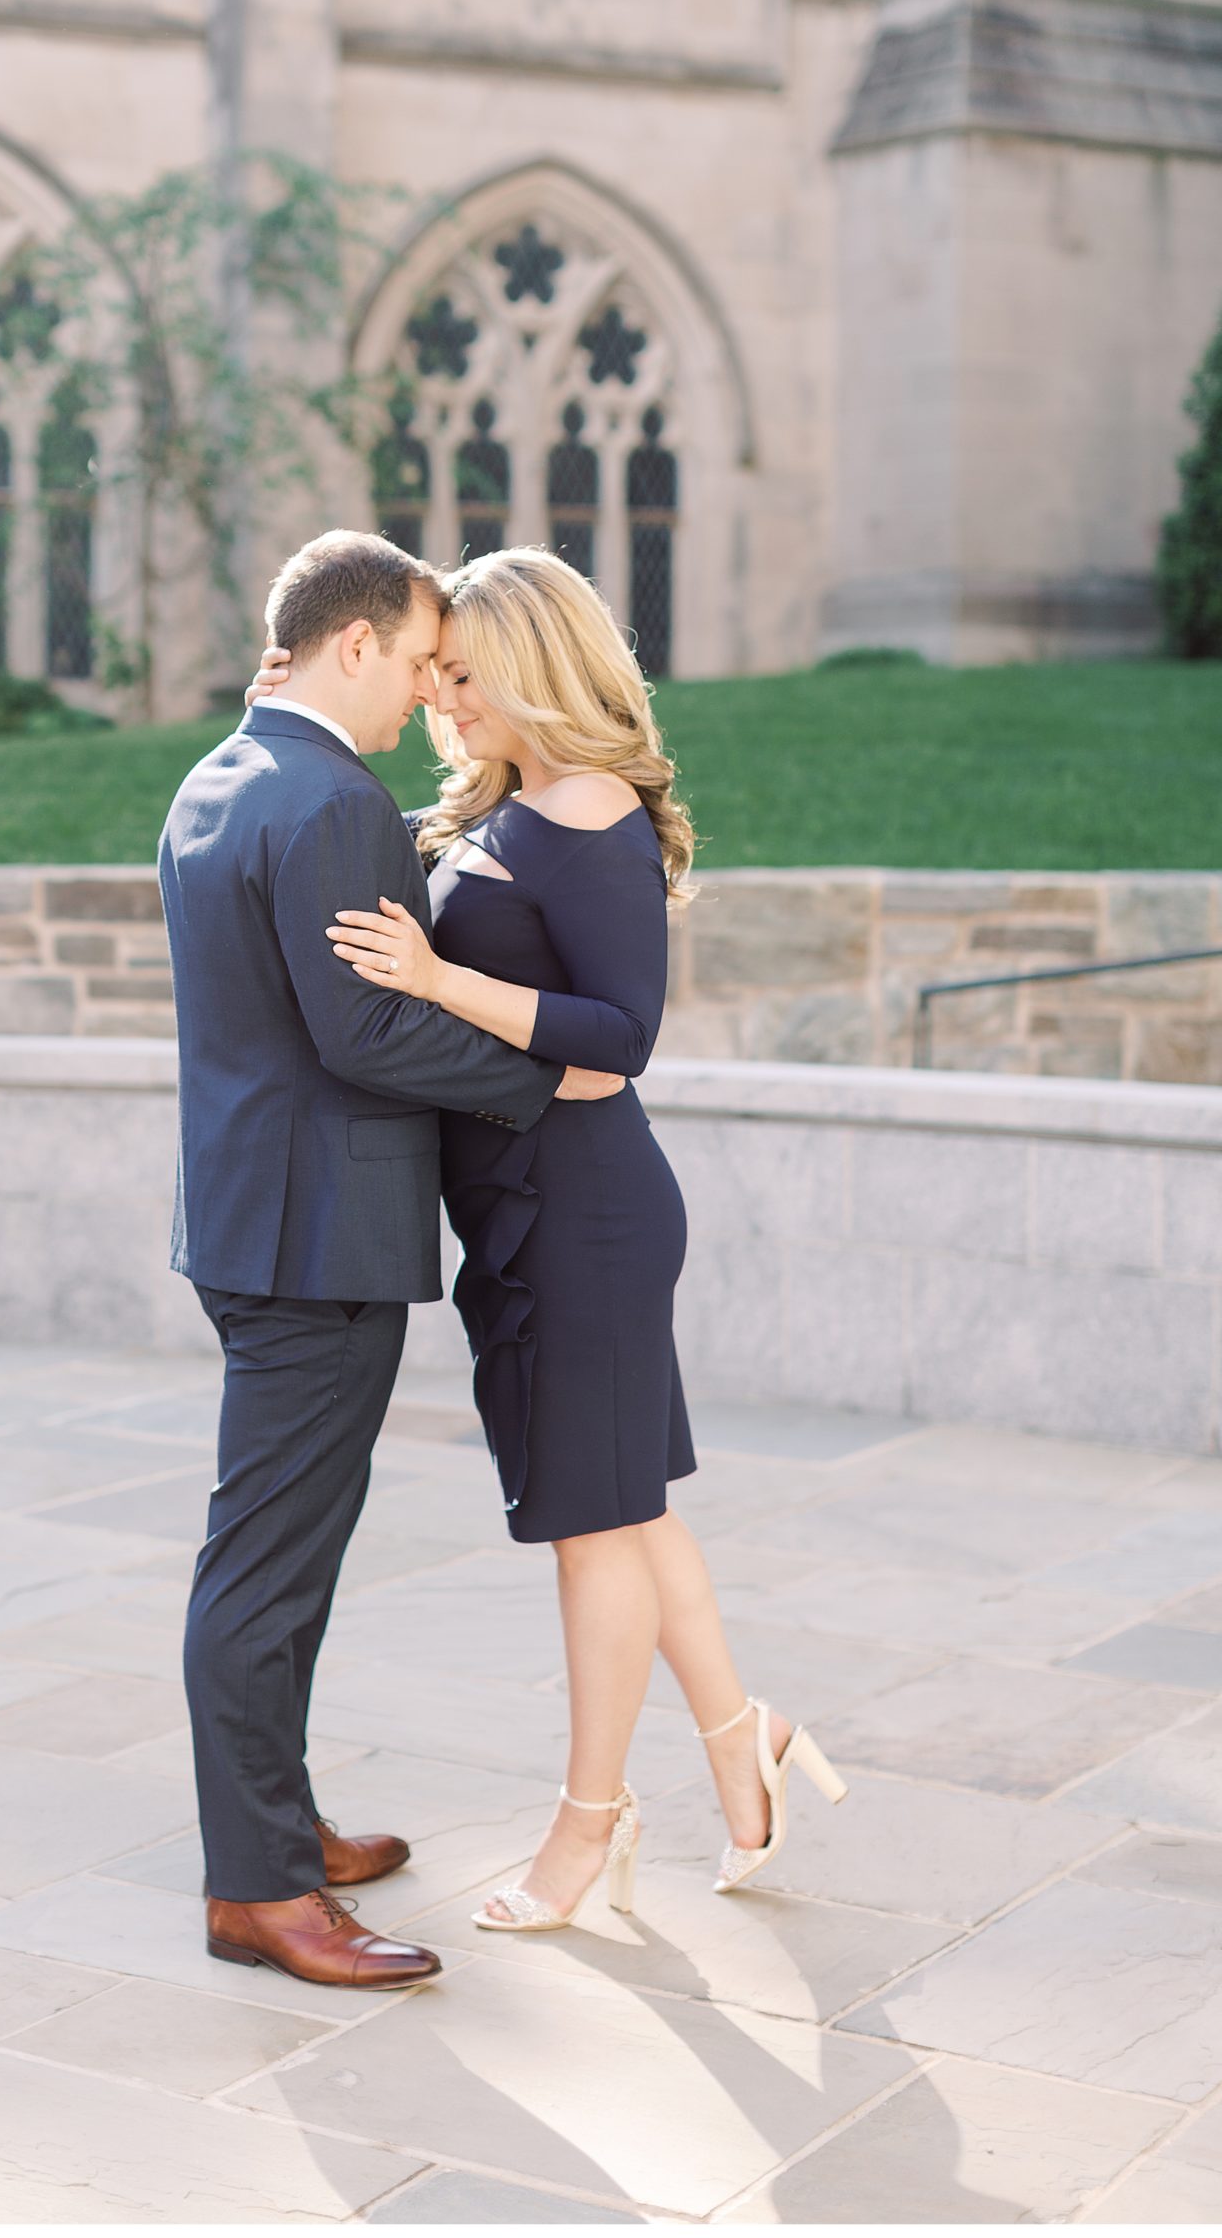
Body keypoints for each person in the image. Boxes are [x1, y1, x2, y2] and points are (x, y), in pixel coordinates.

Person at [248, 545, 848, 1935]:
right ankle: (741, 1742)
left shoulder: (589, 810)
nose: (439, 695)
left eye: (459, 673)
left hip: (582, 1210)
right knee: (629, 1505)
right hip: (528, 1207)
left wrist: (437, 975)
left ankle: (590, 1828)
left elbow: (618, 1039)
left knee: (593, 1527)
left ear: (528, 670)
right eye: (431, 670)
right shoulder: (510, 807)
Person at [158, 530, 626, 1990]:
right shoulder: (337, 800)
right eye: (422, 660)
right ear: (352, 645)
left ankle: (280, 1828)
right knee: (269, 1566)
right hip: (320, 1239)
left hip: (251, 1220)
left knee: (276, 1552)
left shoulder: (215, 780)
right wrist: (547, 1078)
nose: (428, 691)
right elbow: (363, 1027)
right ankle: (258, 1890)